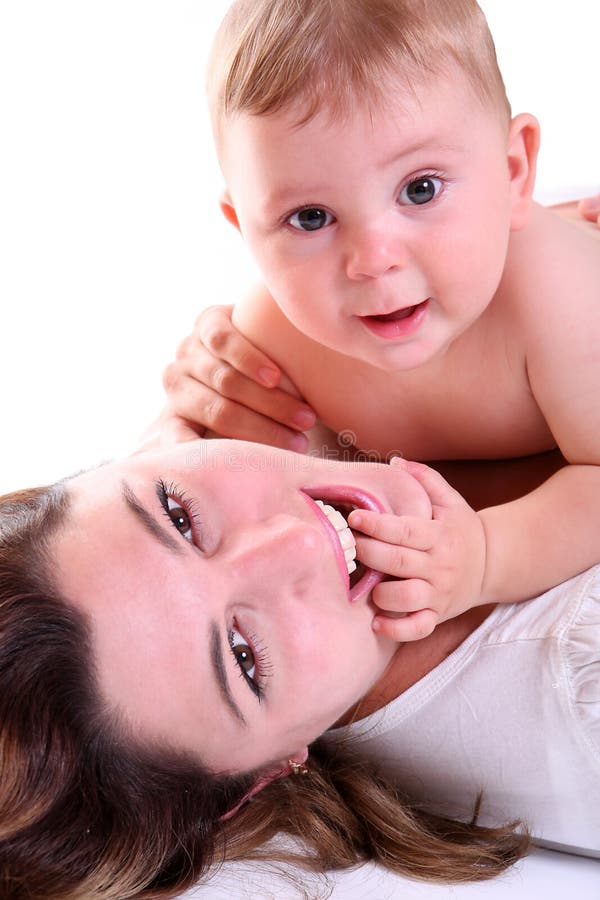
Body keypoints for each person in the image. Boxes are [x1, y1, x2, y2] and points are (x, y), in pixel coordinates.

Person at [153, 0, 600, 647]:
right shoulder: (268, 348)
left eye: (420, 190)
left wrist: (484, 555)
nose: (372, 260)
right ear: (245, 228)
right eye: (310, 218)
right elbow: (214, 474)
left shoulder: (560, 303)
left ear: (513, 171)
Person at [1, 437, 599, 900]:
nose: (301, 539)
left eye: (178, 516)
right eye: (243, 658)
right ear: (262, 777)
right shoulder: (580, 675)